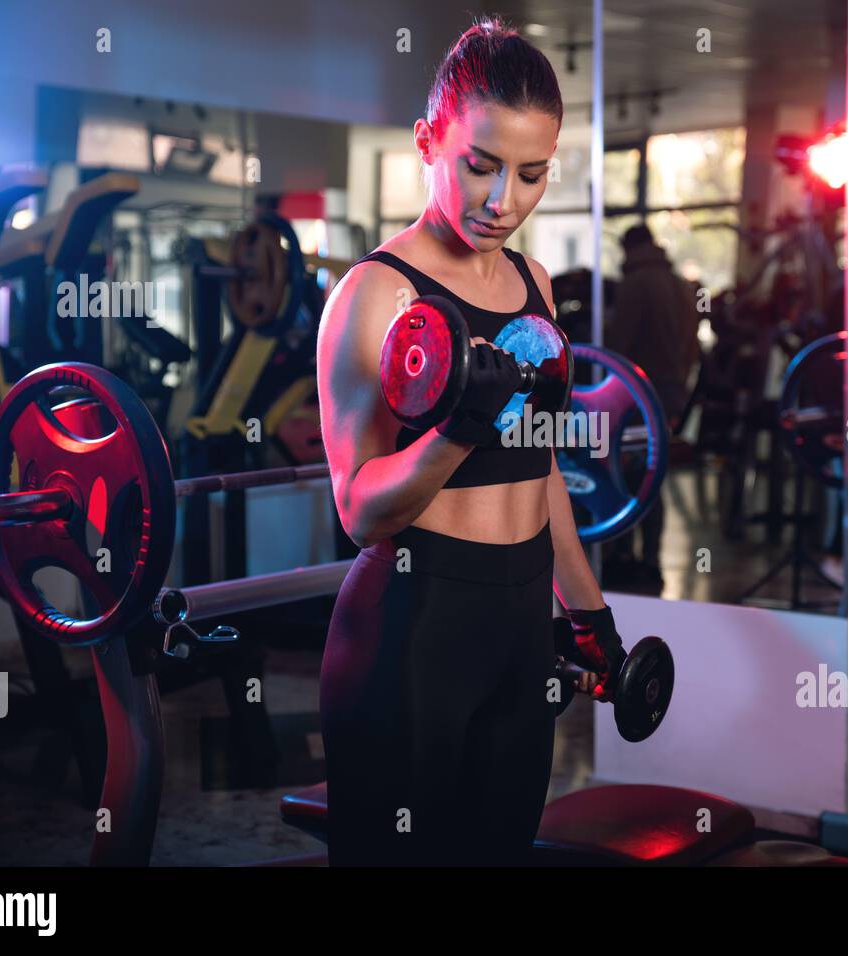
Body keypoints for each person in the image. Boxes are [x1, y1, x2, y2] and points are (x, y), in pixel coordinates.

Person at [316, 18, 623, 866]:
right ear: (428, 142)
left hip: (521, 619)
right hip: (415, 624)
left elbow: (543, 468)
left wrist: (587, 610)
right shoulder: (374, 295)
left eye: (531, 175)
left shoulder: (534, 284)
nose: (503, 202)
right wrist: (458, 430)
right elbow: (360, 512)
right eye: (481, 166)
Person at [603, 224, 699, 590]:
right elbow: (692, 345)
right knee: (652, 476)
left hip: (635, 393)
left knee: (626, 472)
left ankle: (625, 556)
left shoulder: (636, 284)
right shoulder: (677, 283)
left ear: (630, 248)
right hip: (670, 391)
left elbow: (618, 344)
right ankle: (651, 559)